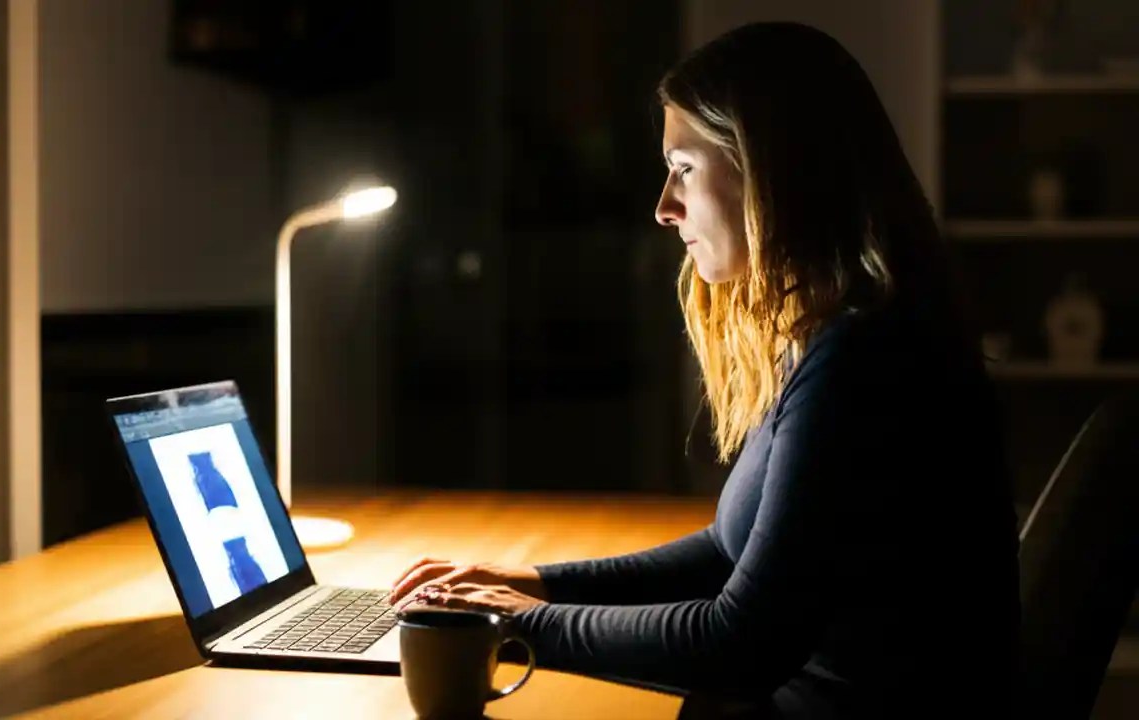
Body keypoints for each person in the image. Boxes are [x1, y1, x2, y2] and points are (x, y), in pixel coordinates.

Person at [388, 22, 1020, 719]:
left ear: (770, 166)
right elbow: (729, 553)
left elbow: (742, 644)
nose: (665, 207)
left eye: (683, 168)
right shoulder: (838, 333)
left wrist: (518, 622)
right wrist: (536, 583)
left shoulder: (862, 360)